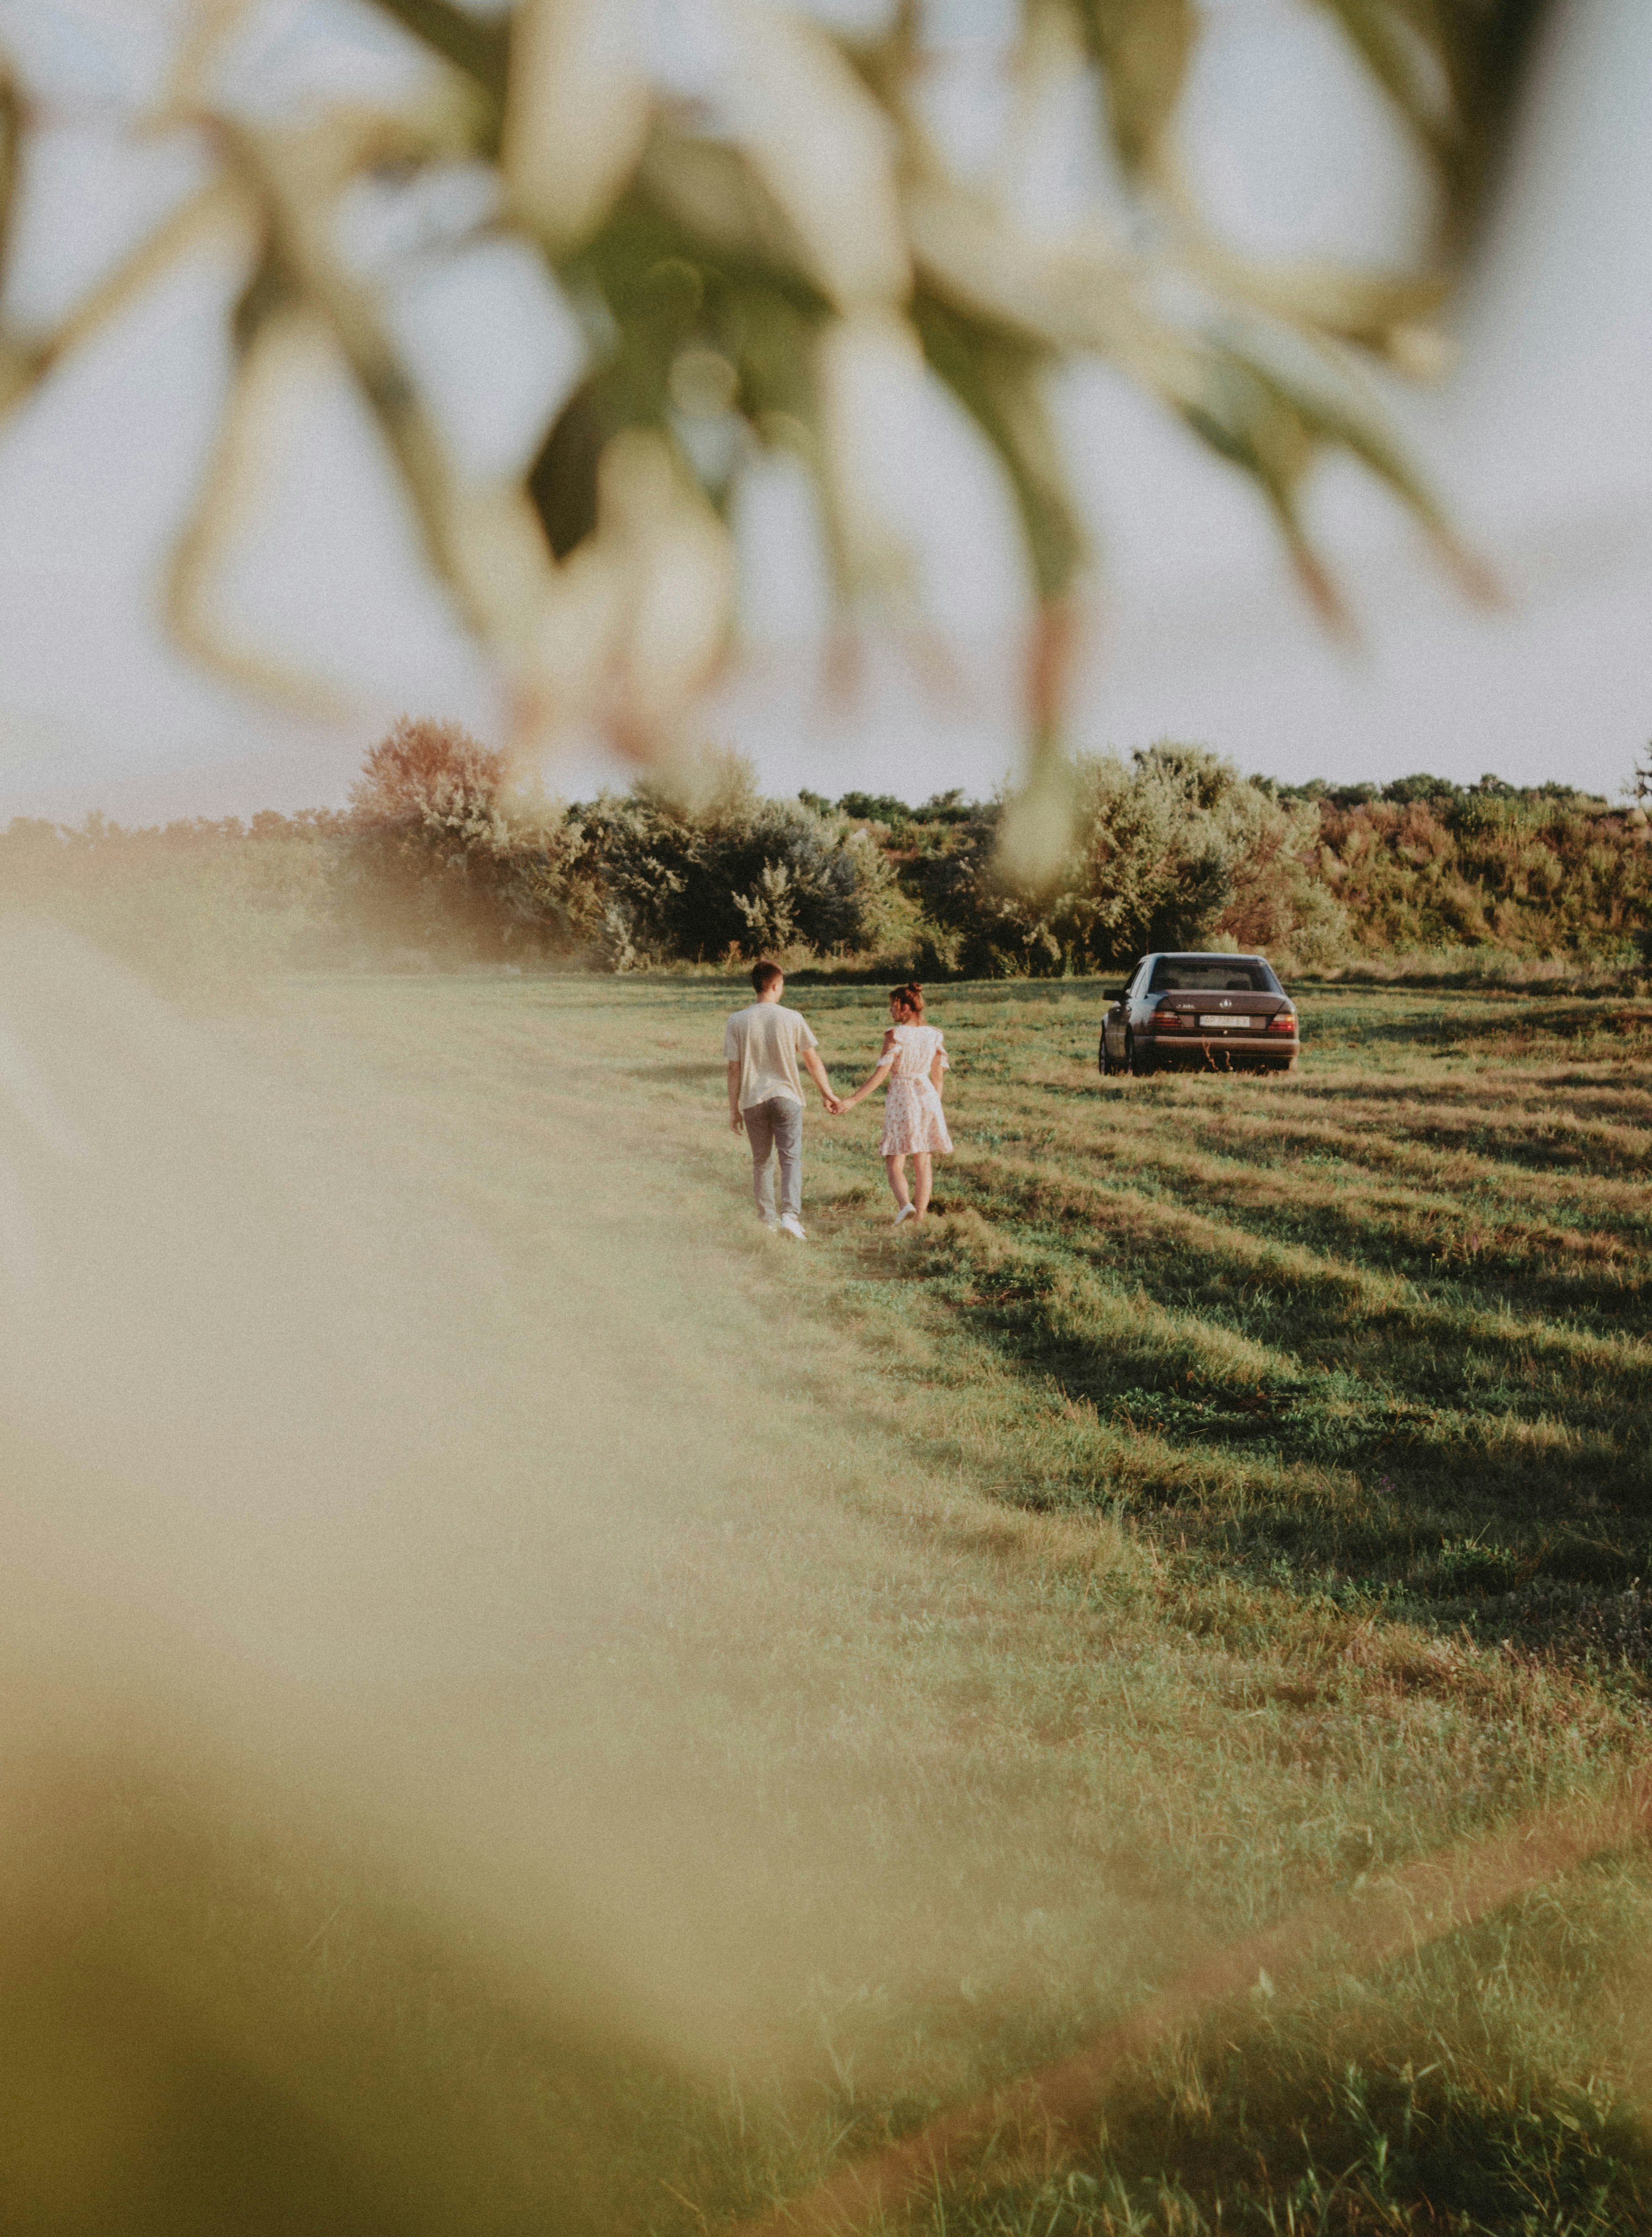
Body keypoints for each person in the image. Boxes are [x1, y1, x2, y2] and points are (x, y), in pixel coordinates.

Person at [724, 959, 841, 1241]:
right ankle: (790, 1216)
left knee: (761, 1162)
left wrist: (733, 1109)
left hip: (753, 1099)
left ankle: (767, 1220)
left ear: (756, 986)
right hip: (787, 1098)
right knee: (790, 1160)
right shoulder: (792, 1017)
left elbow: (733, 1068)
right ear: (776, 986)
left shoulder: (737, 1020)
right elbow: (812, 1061)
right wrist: (828, 1094)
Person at [836, 983, 952, 1223]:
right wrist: (934, 1107)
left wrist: (853, 1100)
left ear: (907, 1008)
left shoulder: (895, 1035)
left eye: (894, 1006)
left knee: (895, 1158)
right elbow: (938, 1076)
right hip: (928, 1096)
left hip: (903, 1096)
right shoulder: (935, 1035)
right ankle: (920, 1217)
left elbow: (880, 1075)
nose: (891, 1011)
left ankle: (905, 1205)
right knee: (923, 1160)